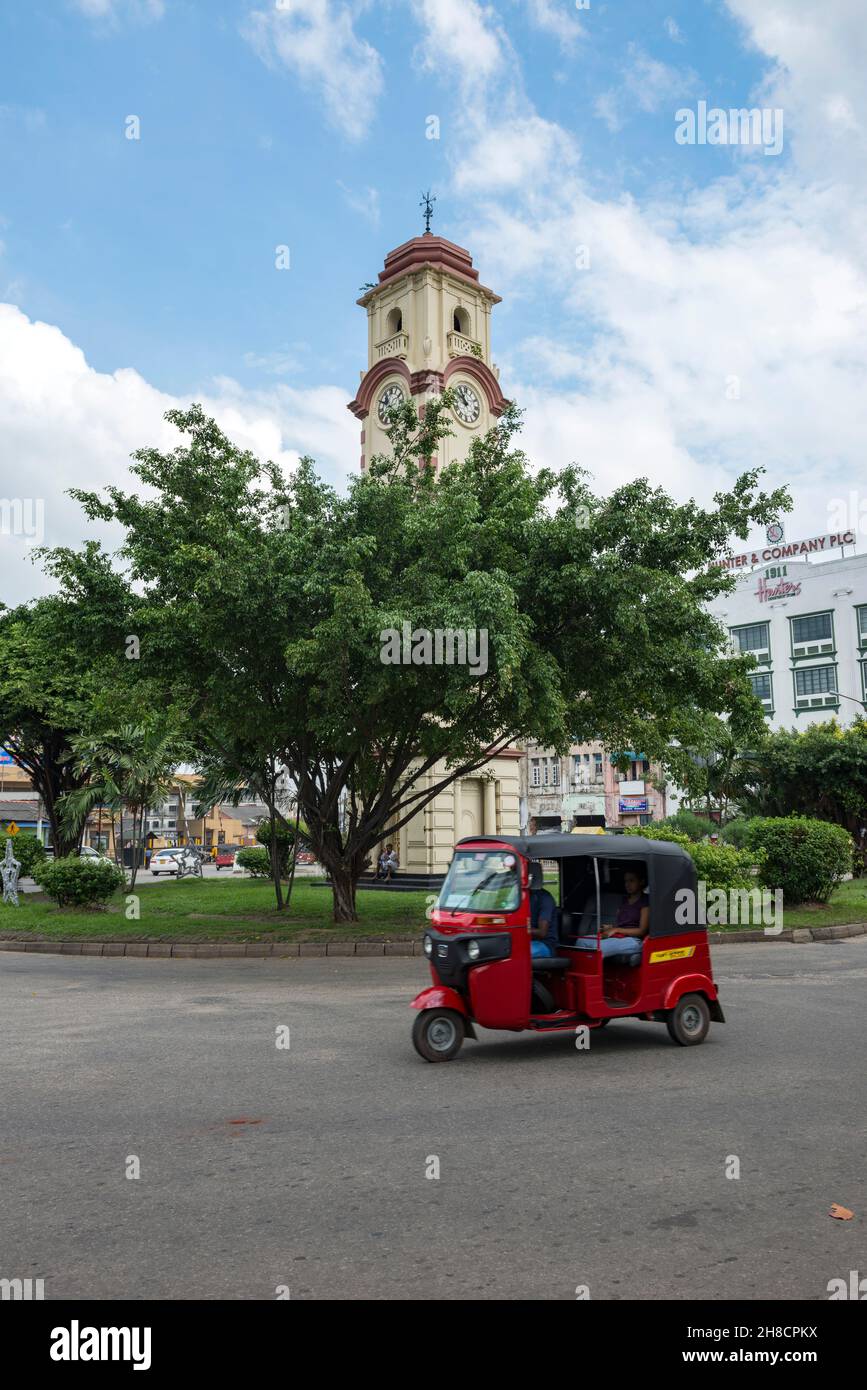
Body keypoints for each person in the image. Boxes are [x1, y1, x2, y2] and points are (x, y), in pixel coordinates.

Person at [578, 866, 649, 957]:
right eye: (626, 881)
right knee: (581, 941)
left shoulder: (645, 901)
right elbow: (620, 924)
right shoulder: (624, 900)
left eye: (631, 881)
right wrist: (609, 927)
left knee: (598, 947)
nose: (627, 884)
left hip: (633, 940)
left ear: (641, 882)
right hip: (618, 936)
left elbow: (642, 931)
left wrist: (615, 929)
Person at [528, 860, 558, 958]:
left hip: (545, 944)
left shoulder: (545, 899)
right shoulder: (521, 896)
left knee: (518, 954)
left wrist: (519, 929)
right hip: (526, 941)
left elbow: (542, 933)